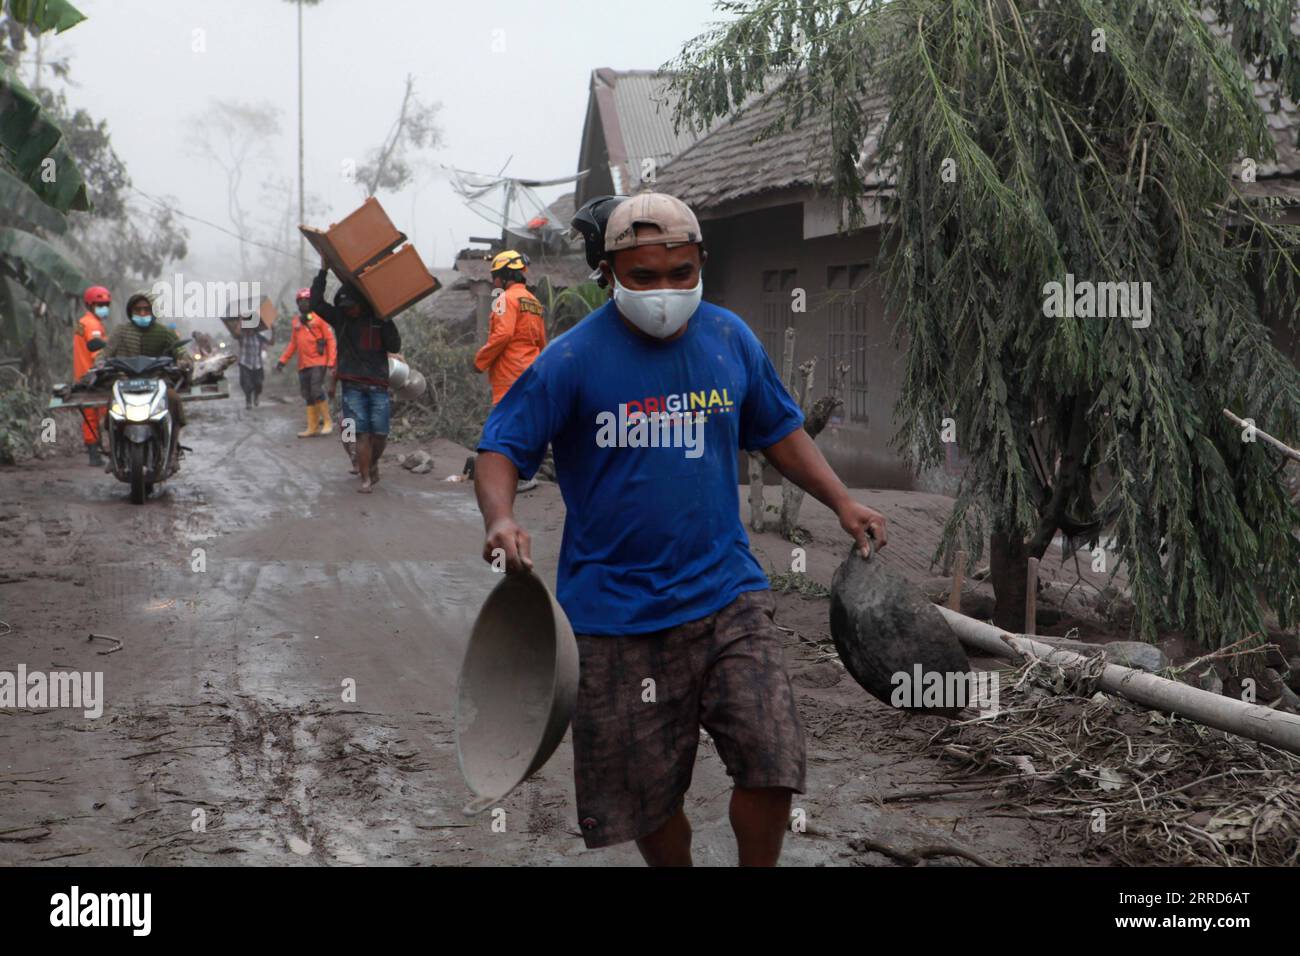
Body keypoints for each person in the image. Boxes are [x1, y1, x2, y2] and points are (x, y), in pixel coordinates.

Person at [474, 192, 889, 867]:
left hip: (728, 597)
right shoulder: (571, 361)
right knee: (644, 798)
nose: (664, 291)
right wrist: (501, 517)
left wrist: (842, 501)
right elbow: (500, 449)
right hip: (614, 618)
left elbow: (778, 429)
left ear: (701, 264)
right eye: (644, 277)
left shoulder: (729, 339)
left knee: (771, 758)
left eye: (680, 274)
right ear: (608, 274)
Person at [309, 258, 400, 493]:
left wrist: (387, 319)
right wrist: (323, 271)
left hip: (378, 385)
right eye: (344, 307)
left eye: (351, 306)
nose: (348, 311)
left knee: (379, 435)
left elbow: (395, 345)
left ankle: (370, 463)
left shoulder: (379, 320)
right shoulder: (340, 320)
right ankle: (364, 475)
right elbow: (316, 302)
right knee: (355, 432)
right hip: (351, 386)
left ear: (361, 303)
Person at [473, 249, 547, 490]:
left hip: (510, 372)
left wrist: (480, 361)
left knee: (503, 427)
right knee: (523, 424)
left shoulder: (505, 300)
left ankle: (512, 476)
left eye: (496, 276)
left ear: (506, 274)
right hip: (531, 370)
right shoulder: (533, 302)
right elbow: (541, 342)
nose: (494, 281)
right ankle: (523, 474)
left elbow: (502, 335)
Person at [104, 291, 194, 458]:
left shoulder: (165, 332)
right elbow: (105, 354)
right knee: (111, 404)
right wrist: (100, 365)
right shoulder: (120, 332)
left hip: (157, 380)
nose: (142, 313)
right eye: (138, 310)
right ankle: (113, 451)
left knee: (173, 399)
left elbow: (181, 352)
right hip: (125, 381)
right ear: (131, 311)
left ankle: (173, 451)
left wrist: (183, 361)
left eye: (147, 309)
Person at [275, 288, 337, 436]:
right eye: (300, 301)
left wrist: (331, 361)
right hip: (303, 364)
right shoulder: (296, 321)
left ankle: (327, 421)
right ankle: (312, 427)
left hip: (318, 361)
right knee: (307, 394)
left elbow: (330, 339)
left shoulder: (319, 318)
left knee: (316, 390)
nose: (303, 304)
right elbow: (293, 344)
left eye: (306, 301)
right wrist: (282, 360)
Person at [74, 285, 113, 466]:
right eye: (99, 304)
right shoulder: (93, 325)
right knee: (97, 414)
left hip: (83, 374)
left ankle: (96, 452)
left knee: (92, 415)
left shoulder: (82, 322)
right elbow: (97, 353)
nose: (104, 307)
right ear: (90, 305)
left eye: (105, 304)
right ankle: (95, 456)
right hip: (93, 376)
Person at [236, 317, 272, 409]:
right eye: (248, 327)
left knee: (258, 384)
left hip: (257, 365)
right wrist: (240, 320)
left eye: (251, 327)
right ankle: (248, 401)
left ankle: (256, 396)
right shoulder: (242, 336)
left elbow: (271, 343)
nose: (249, 329)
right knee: (247, 384)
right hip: (245, 364)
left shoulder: (259, 337)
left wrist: (274, 331)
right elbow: (237, 333)